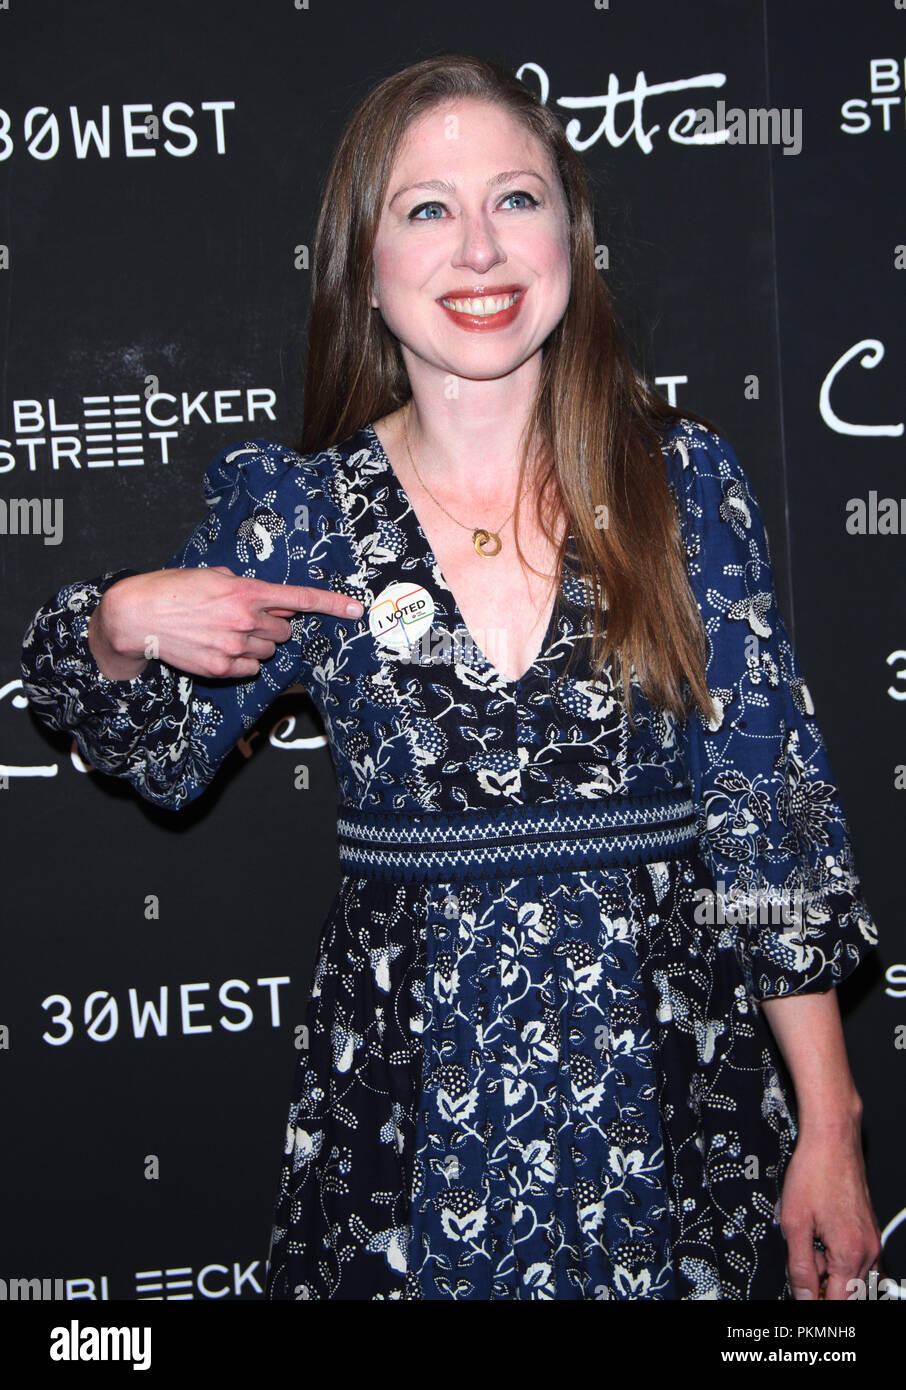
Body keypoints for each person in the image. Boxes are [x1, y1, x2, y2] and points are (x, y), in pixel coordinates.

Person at [20, 53, 881, 1302]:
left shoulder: (682, 484)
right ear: (363, 265)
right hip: (409, 1124)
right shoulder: (302, 515)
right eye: (427, 209)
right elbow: (161, 755)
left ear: (571, 244)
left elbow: (772, 827)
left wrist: (834, 1124)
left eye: (517, 200)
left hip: (676, 1107)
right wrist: (118, 624)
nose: (479, 248)